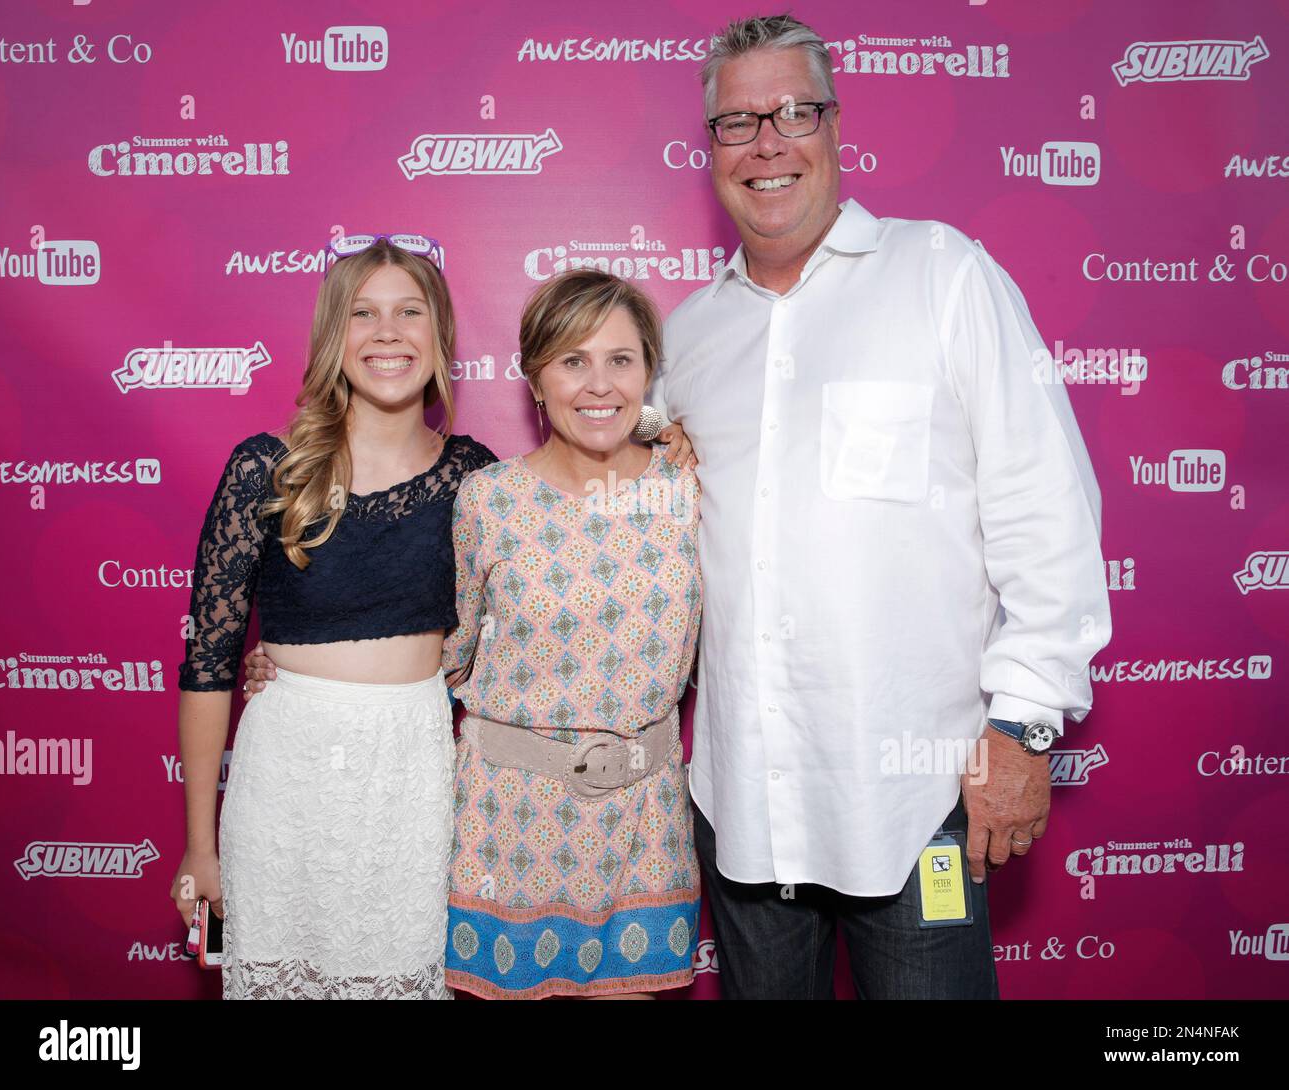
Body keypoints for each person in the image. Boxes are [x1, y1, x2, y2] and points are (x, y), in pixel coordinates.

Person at [646, 15, 1112, 998]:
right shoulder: (685, 339)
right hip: (743, 808)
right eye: (737, 123)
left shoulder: (944, 276)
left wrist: (1023, 729)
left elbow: (1047, 512)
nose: (766, 143)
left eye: (793, 112)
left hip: (915, 802)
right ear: (709, 148)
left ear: (834, 125)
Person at [170, 234, 497, 999]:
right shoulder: (266, 468)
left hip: (414, 778)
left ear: (439, 336)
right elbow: (208, 666)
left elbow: (519, 631)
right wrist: (198, 846)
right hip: (287, 776)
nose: (387, 332)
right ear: (331, 338)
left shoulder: (476, 478)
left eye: (409, 311)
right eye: (363, 314)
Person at [440, 270, 703, 999]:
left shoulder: (688, 489)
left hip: (643, 824)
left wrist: (665, 430)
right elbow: (447, 655)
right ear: (533, 378)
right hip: (506, 819)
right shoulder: (487, 500)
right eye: (572, 360)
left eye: (621, 359)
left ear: (650, 370)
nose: (600, 384)